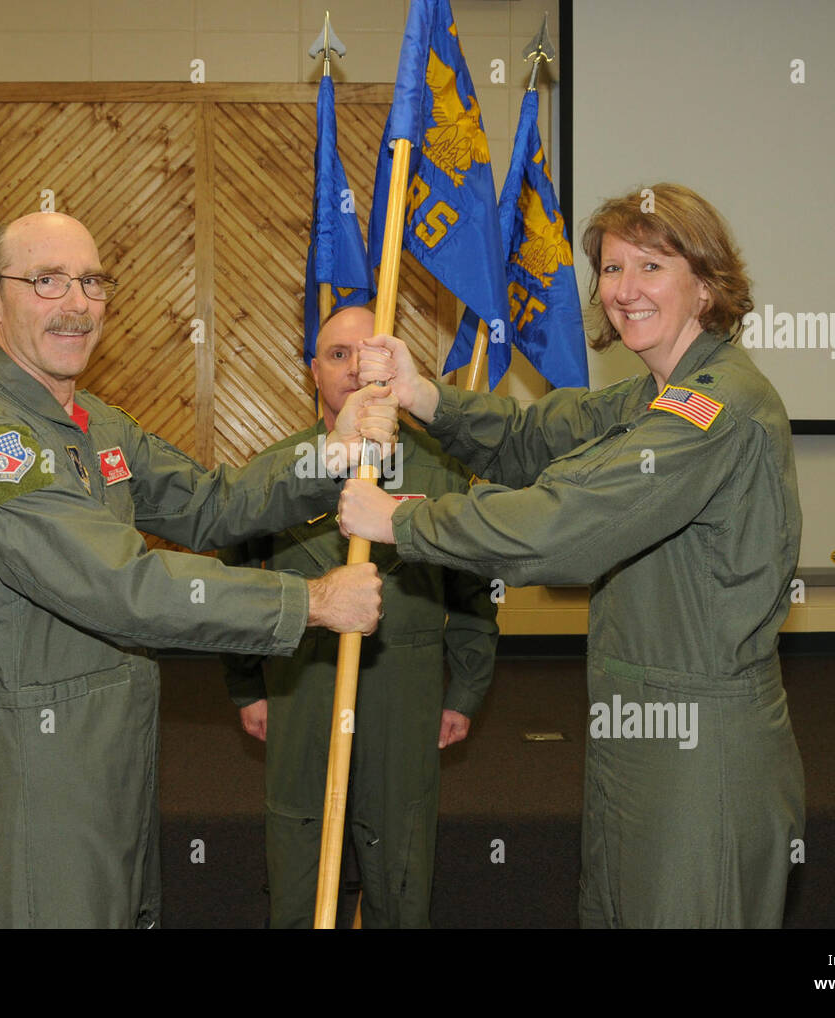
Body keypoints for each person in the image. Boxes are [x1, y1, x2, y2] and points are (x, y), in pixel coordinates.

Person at [0, 212, 396, 928]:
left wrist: (329, 452)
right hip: (40, 772)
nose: (76, 304)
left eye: (91, 282)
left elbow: (211, 505)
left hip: (121, 752)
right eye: (46, 281)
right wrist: (310, 601)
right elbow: (121, 586)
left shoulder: (97, 424)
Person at [338, 183, 805, 928]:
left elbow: (567, 525)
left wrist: (406, 520)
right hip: (636, 731)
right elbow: (530, 439)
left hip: (700, 748)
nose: (623, 291)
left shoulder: (712, 411)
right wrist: (423, 396)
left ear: (708, 287)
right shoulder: (646, 398)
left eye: (650, 267)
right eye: (612, 270)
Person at [220, 305, 499, 928]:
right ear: (312, 370)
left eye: (367, 354)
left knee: (400, 851)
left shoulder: (439, 470)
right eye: (336, 354)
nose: (352, 369)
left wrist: (467, 689)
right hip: (302, 681)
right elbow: (239, 578)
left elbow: (474, 590)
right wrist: (246, 686)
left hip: (407, 684)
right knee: (298, 844)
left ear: (391, 367)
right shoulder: (279, 469)